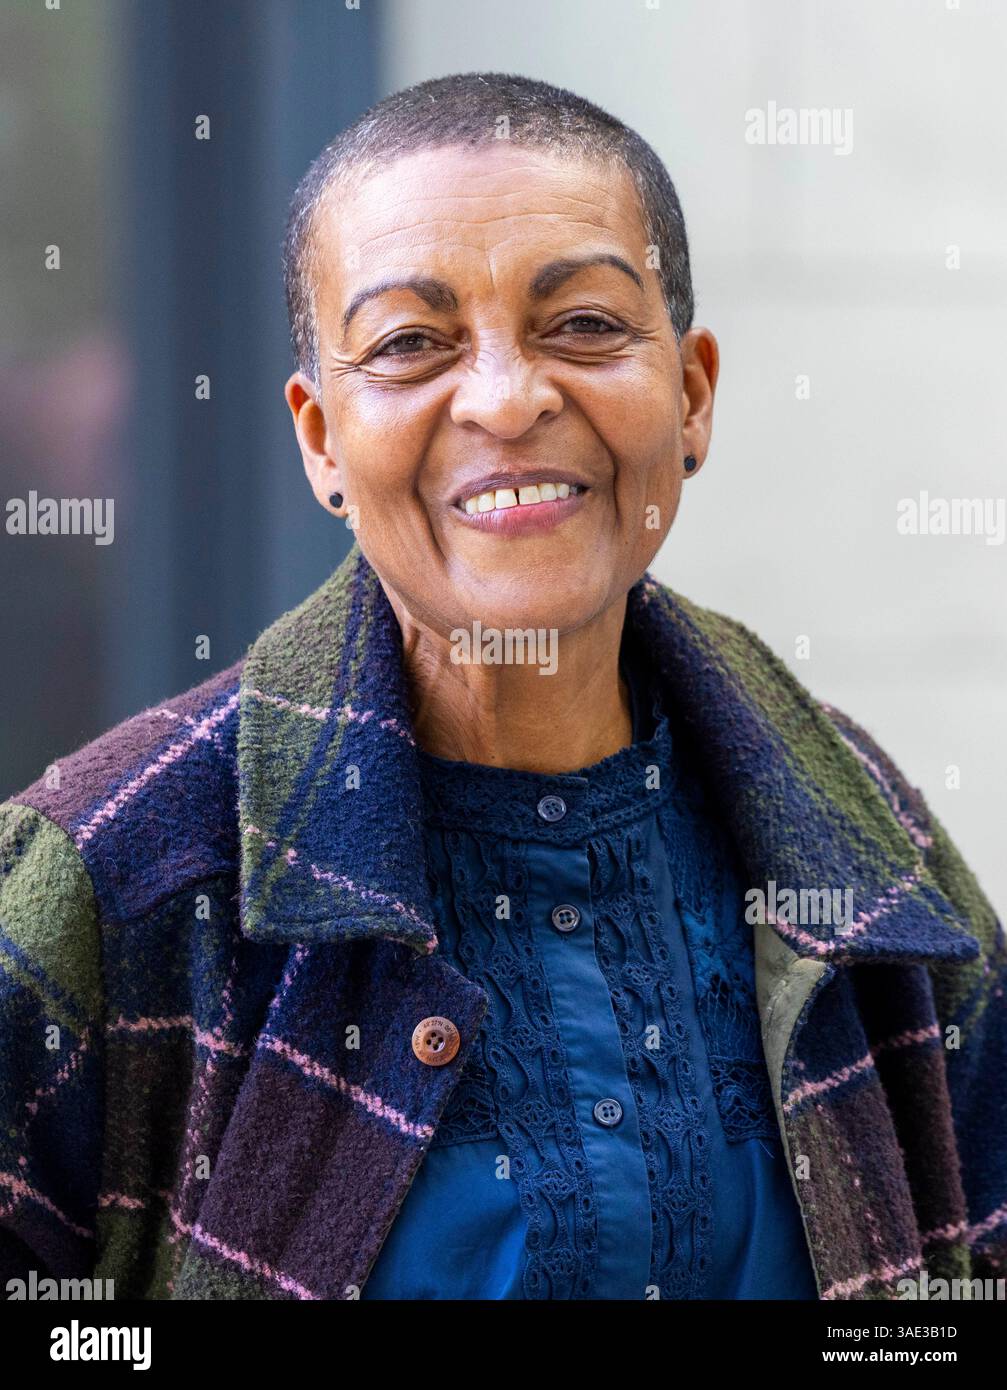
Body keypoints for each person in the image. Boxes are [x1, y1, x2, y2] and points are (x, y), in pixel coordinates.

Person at [1, 72, 1003, 1302]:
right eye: (409, 344)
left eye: (581, 324)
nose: (506, 398)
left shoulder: (861, 839)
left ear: (690, 395)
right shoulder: (118, 878)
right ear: (320, 438)